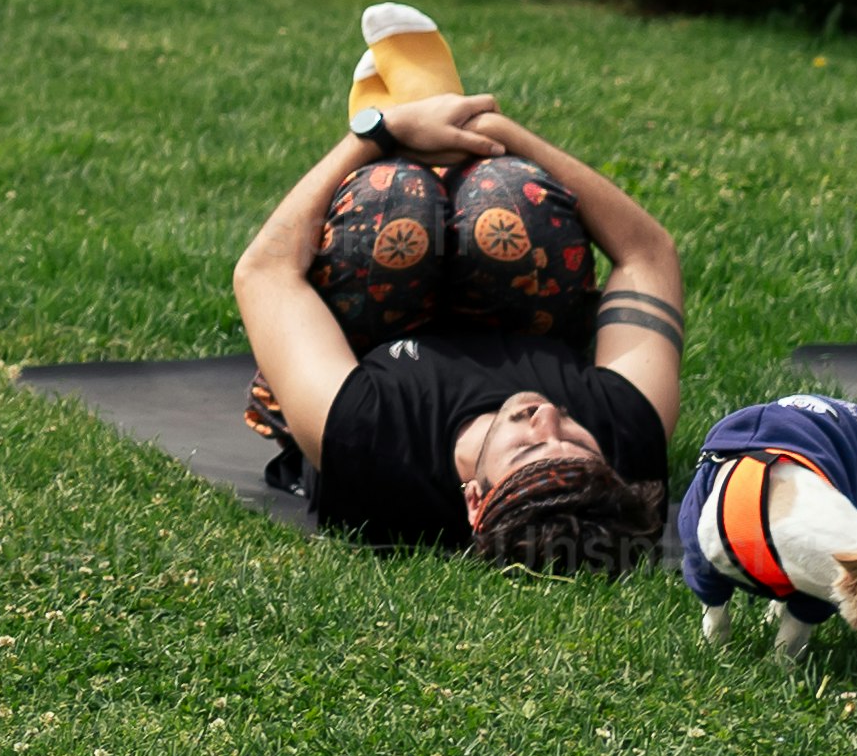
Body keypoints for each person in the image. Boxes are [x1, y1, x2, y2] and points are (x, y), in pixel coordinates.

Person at [232, 89, 685, 568]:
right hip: (516, 308)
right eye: (576, 444)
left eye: (527, 448)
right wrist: (499, 135)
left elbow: (266, 273)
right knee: (508, 197)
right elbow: (648, 252)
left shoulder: (367, 435)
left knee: (390, 199)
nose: (548, 419)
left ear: (473, 500)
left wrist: (379, 132)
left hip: (370, 334)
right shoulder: (626, 433)